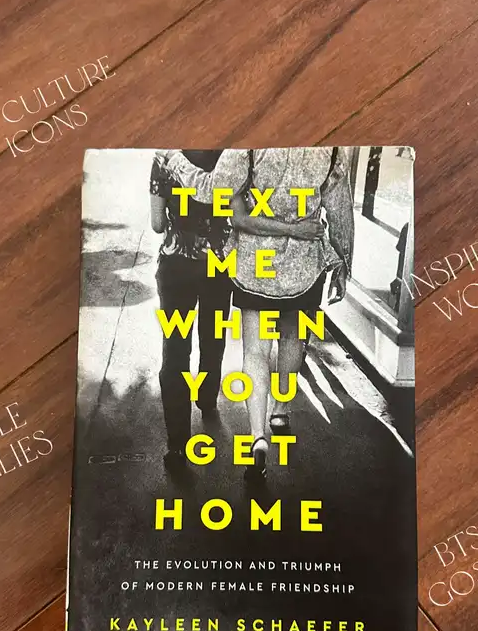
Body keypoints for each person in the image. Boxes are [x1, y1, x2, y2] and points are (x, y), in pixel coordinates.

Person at [159, 147, 354, 479]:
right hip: (306, 262)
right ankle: (281, 410)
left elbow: (213, 190)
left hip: (256, 262)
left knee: (255, 352)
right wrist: (343, 261)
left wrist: (174, 160)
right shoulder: (332, 148)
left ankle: (257, 437)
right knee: (293, 339)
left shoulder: (250, 144)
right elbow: (340, 210)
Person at [150, 149, 232, 470]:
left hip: (176, 267)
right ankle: (207, 397)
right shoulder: (229, 155)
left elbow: (158, 224)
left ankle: (177, 445)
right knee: (213, 336)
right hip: (218, 265)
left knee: (175, 351)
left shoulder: (164, 157)